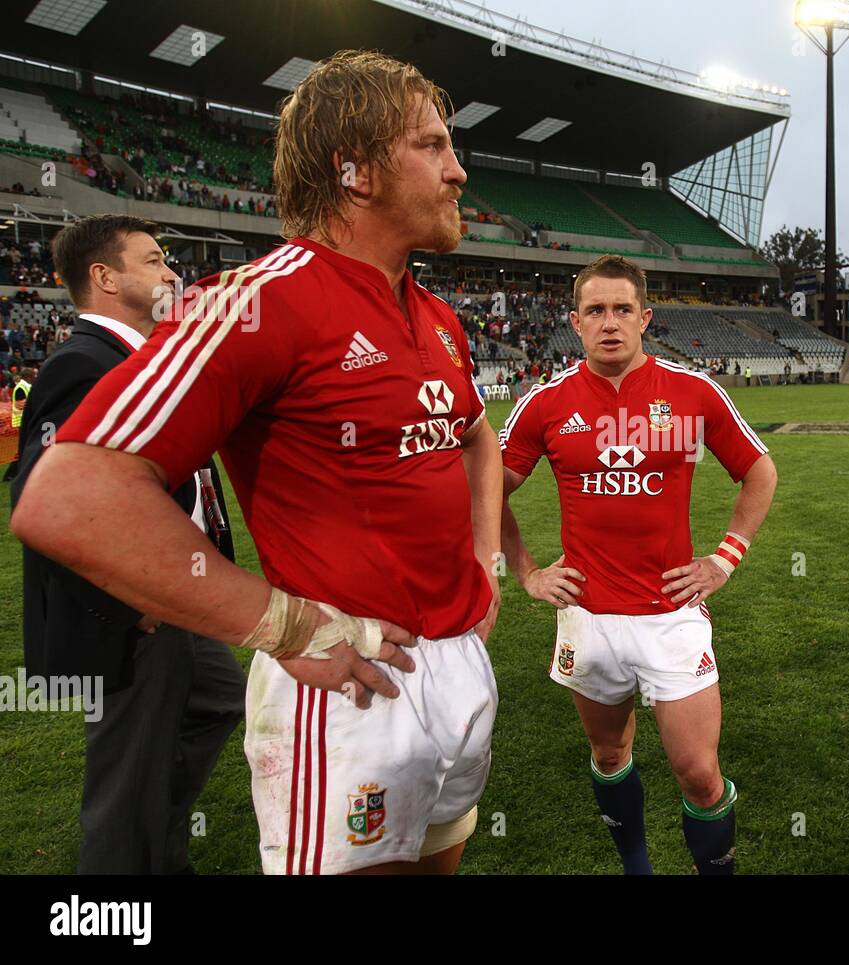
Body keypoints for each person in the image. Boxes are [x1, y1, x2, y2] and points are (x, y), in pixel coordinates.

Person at [10, 50, 501, 875]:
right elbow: (67, 495)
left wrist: (486, 558)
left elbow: (477, 437)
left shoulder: (439, 318)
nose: (457, 172)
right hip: (347, 688)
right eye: (432, 146)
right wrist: (284, 625)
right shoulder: (255, 301)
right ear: (355, 171)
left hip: (457, 667)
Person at [498, 255, 777, 874]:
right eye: (595, 310)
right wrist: (526, 573)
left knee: (700, 774)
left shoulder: (693, 392)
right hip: (587, 617)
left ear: (646, 317)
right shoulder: (546, 404)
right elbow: (487, 489)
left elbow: (759, 470)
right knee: (608, 752)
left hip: (670, 615)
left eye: (623, 309)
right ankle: (637, 868)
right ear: (574, 323)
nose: (610, 322)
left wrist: (726, 557)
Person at [12, 214, 244, 873]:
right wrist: (128, 608)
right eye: (152, 261)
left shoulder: (139, 357)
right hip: (131, 611)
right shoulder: (83, 364)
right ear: (105, 277)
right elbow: (49, 503)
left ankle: (157, 849)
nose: (171, 272)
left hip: (176, 594)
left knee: (220, 700)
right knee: (122, 783)